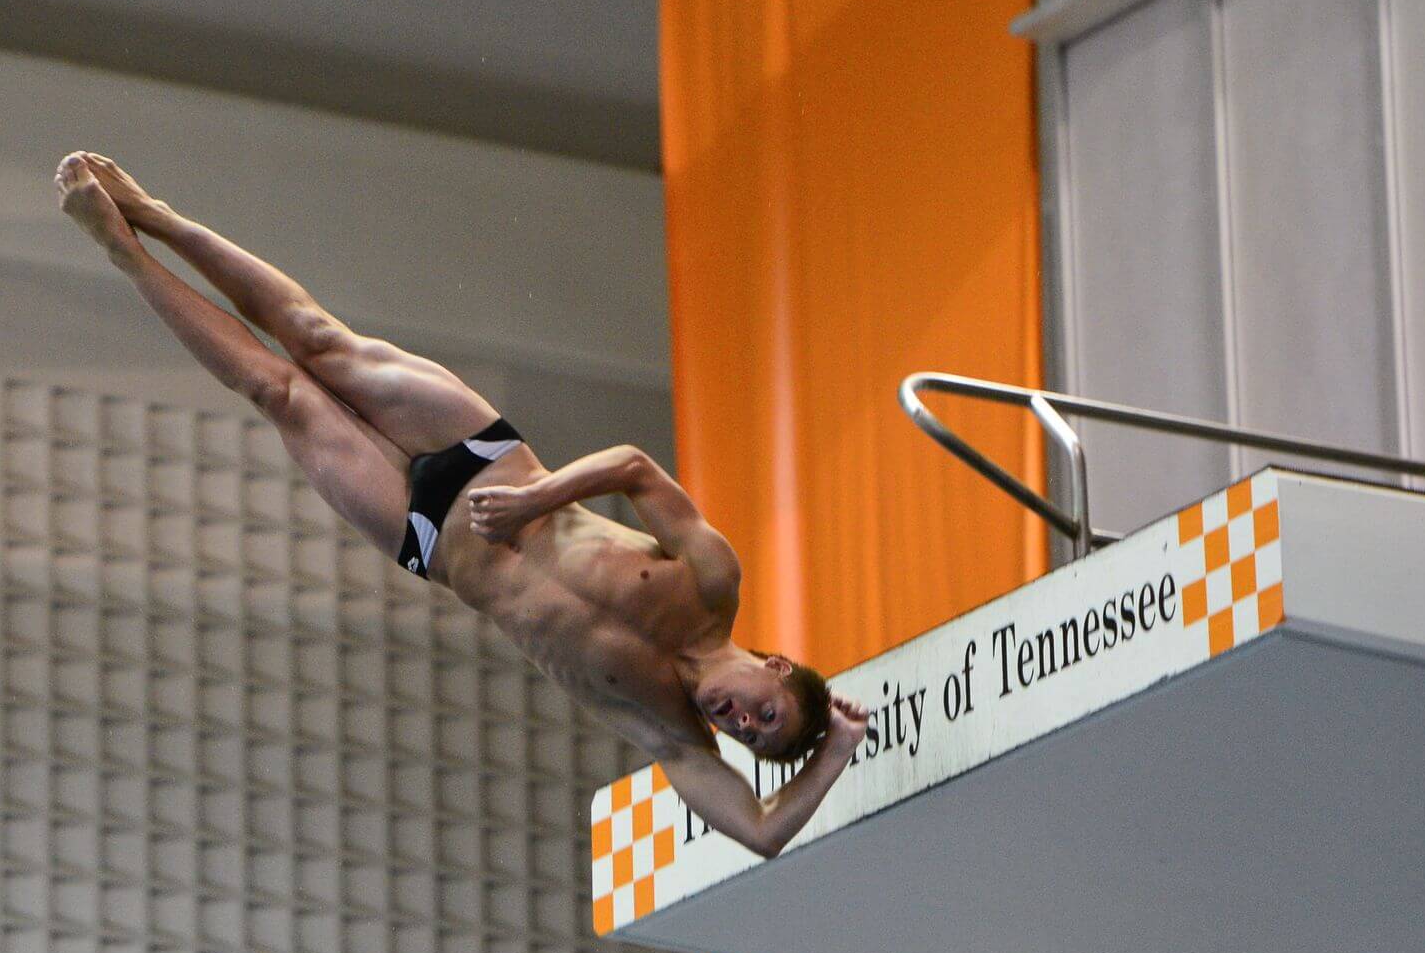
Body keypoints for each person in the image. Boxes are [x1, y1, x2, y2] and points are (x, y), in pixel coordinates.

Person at [54, 152, 866, 856]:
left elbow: (760, 832)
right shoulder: (713, 584)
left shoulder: (666, 730)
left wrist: (830, 757)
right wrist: (539, 497)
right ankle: (154, 215)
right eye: (764, 716)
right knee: (316, 338)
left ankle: (124, 254)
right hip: (486, 455)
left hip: (427, 541)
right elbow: (635, 467)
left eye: (749, 741)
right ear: (775, 667)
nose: (740, 727)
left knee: (279, 392)